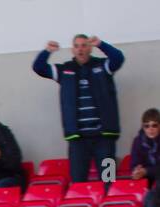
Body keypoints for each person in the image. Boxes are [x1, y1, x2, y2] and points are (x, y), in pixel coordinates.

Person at [33, 35, 126, 183]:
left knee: (109, 180)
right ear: (72, 50)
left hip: (104, 138)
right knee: (78, 183)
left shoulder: (103, 66)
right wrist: (47, 51)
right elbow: (38, 67)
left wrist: (101, 44)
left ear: (89, 48)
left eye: (84, 45)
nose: (80, 49)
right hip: (77, 140)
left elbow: (118, 58)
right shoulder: (64, 70)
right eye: (77, 46)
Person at [129, 109, 160, 188]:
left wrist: (146, 171)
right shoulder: (138, 141)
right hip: (146, 180)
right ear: (143, 127)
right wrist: (136, 170)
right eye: (147, 126)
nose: (150, 129)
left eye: (154, 125)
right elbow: (134, 164)